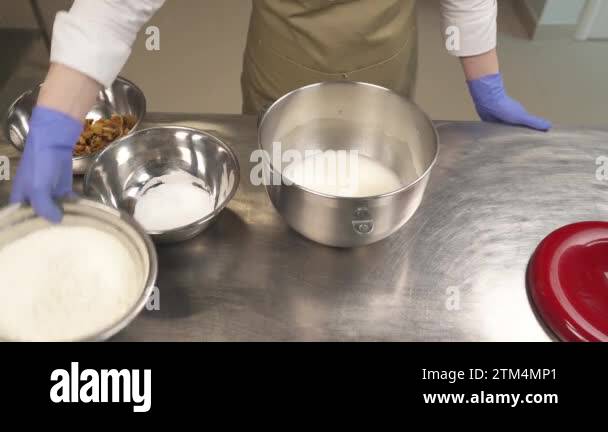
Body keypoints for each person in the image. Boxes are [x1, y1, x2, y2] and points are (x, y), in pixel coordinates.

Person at [10, 0, 551, 222]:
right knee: (280, 191)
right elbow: (115, 7)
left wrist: (487, 84)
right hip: (281, 59)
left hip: (384, 60)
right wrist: (57, 121)